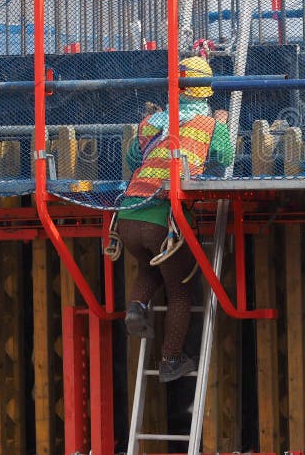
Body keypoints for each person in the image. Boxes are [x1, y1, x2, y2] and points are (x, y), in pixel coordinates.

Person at [116, 56, 234, 383]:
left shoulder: (150, 123)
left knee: (149, 268)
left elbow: (132, 159)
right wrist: (221, 124)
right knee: (180, 290)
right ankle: (170, 360)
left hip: (128, 214)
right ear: (204, 91)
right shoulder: (208, 125)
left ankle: (136, 307)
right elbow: (224, 158)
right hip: (163, 218)